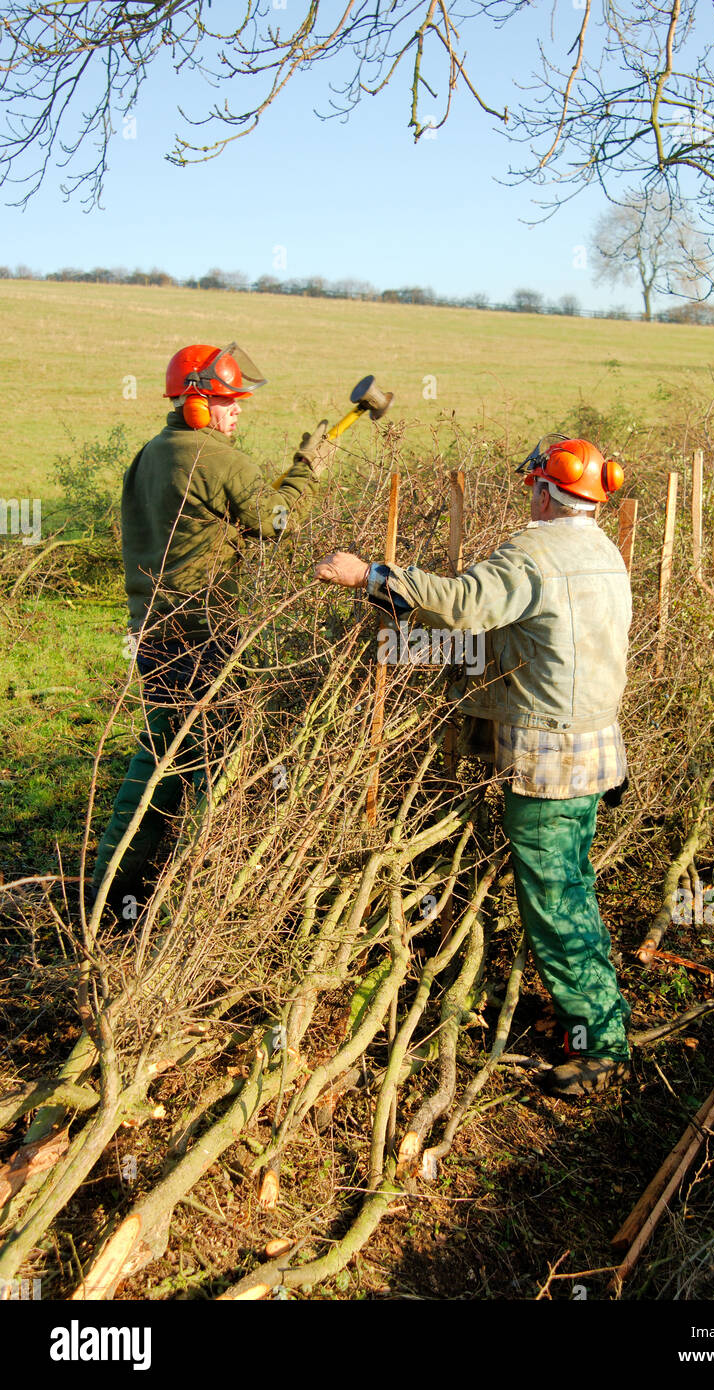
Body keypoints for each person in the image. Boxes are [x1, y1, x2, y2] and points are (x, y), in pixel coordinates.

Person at [314, 435, 632, 1099]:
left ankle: (597, 1041)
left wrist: (370, 576)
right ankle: (598, 1015)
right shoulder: (600, 549)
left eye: (534, 487)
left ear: (548, 491)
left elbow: (464, 604)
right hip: (595, 748)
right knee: (572, 883)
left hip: (550, 755)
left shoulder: (536, 551)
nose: (531, 497)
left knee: (555, 898)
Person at [91, 342, 335, 910]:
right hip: (203, 632)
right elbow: (278, 521)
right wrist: (307, 471)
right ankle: (203, 898)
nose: (238, 409)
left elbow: (214, 521)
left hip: (152, 630)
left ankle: (111, 890)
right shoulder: (217, 458)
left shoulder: (151, 453)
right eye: (227, 401)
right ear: (197, 404)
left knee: (161, 756)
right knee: (218, 761)